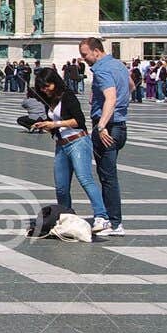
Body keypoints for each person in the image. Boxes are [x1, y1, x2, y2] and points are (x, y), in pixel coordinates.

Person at [25, 65, 110, 234]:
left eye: (47, 86)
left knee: (85, 179)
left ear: (55, 82)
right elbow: (56, 123)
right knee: (61, 187)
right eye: (41, 87)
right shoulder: (49, 99)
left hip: (78, 141)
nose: (44, 90)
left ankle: (102, 216)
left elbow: (78, 121)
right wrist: (45, 125)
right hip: (62, 144)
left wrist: (55, 124)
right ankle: (66, 216)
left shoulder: (68, 96)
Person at [80, 36, 128, 235]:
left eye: (85, 54)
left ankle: (113, 222)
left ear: (96, 51)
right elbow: (131, 87)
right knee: (108, 175)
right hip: (121, 125)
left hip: (108, 127)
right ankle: (113, 219)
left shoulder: (101, 70)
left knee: (107, 176)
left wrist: (101, 126)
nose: (84, 59)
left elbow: (111, 97)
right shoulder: (119, 65)